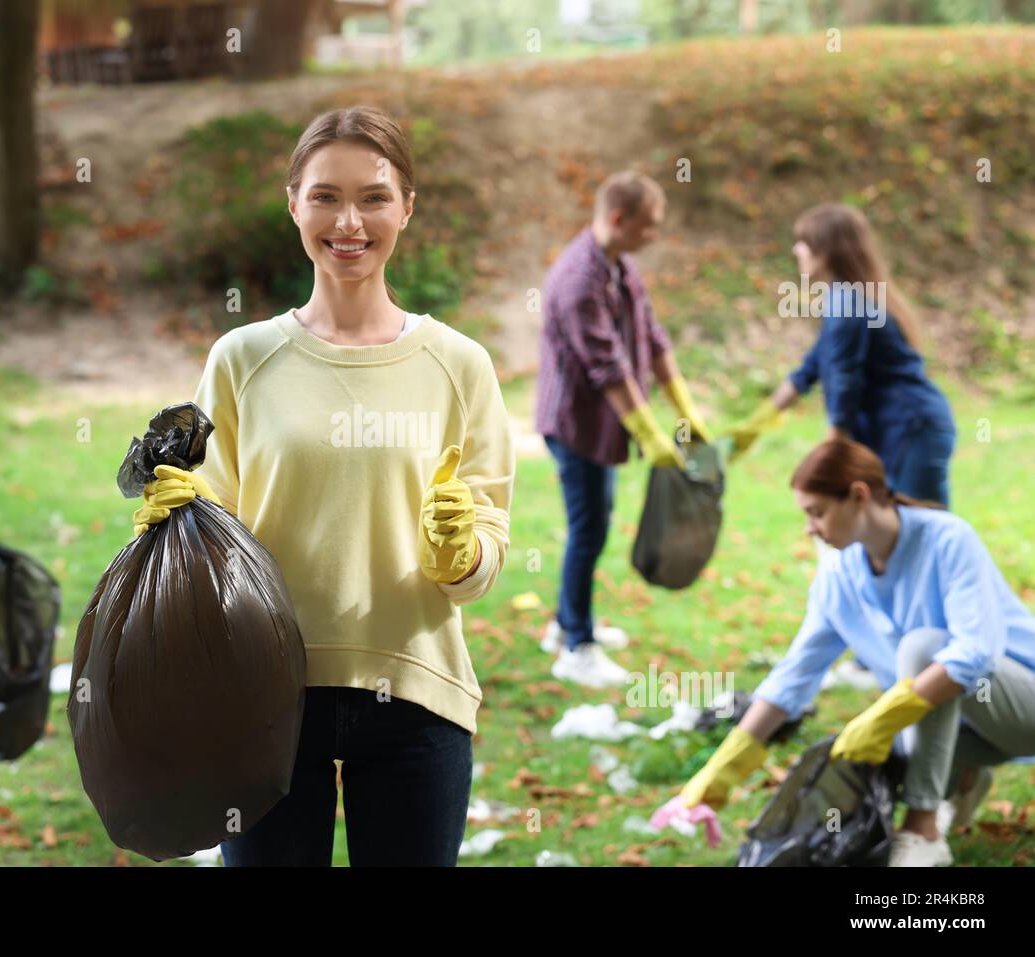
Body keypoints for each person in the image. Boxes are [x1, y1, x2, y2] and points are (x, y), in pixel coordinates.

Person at [134, 106, 514, 866]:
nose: (350, 220)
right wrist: (167, 530)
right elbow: (209, 539)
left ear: (408, 205)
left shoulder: (459, 364)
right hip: (262, 695)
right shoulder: (242, 359)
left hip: (415, 694)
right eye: (325, 196)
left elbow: (485, 561)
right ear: (293, 203)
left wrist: (460, 552)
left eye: (374, 196)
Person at [662, 439, 1035, 867]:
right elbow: (793, 677)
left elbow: (975, 652)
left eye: (817, 512)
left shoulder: (947, 539)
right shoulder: (840, 578)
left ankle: (923, 827)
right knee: (855, 759)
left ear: (858, 496)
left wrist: (882, 717)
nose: (809, 527)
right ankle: (963, 778)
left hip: (1024, 709)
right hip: (964, 728)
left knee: (926, 650)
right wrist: (720, 771)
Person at [534, 170, 715, 688]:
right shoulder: (577, 281)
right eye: (650, 225)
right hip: (576, 427)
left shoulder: (619, 265)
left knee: (593, 524)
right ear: (619, 219)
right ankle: (576, 646)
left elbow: (653, 339)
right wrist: (652, 436)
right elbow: (608, 369)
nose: (654, 235)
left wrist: (685, 409)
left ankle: (565, 622)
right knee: (588, 531)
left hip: (604, 426)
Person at [727, 203, 955, 507]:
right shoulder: (849, 298)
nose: (796, 250)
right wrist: (753, 426)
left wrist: (833, 450)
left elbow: (844, 379)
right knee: (894, 533)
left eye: (804, 243)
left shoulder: (847, 301)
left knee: (926, 532)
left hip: (910, 427)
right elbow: (810, 369)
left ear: (825, 250)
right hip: (906, 426)